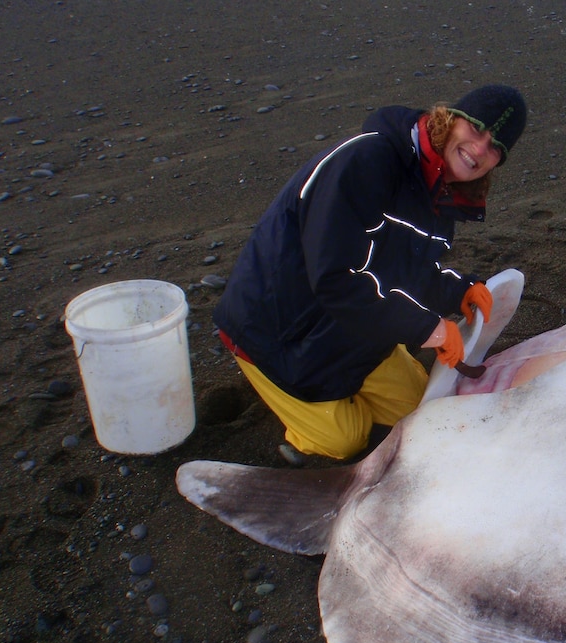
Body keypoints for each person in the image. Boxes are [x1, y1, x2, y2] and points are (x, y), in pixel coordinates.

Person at [213, 84, 527, 462]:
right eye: (476, 130)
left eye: (495, 147)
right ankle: (298, 420)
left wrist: (455, 291)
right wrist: (428, 329)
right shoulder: (367, 160)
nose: (479, 150)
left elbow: (406, 267)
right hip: (278, 333)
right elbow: (335, 279)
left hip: (351, 329)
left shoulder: (442, 192)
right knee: (346, 439)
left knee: (422, 409)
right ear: (451, 118)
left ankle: (340, 390)